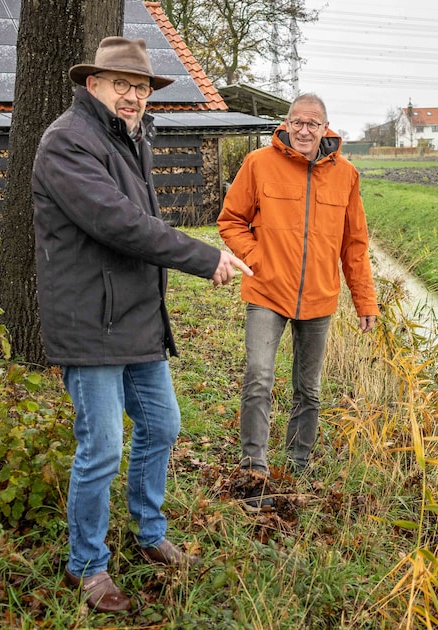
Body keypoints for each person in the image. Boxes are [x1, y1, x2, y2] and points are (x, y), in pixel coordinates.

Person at [33, 36, 251, 614]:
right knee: (101, 448)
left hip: (134, 317)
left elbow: (135, 223)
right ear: (93, 85)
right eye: (122, 85)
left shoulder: (128, 137)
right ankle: (89, 566)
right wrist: (206, 258)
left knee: (163, 426)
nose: (133, 96)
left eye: (142, 88)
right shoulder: (67, 142)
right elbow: (120, 223)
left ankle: (149, 534)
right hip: (89, 322)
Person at [217, 93, 379, 512]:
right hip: (267, 292)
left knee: (308, 389)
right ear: (286, 124)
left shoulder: (346, 175)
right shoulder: (258, 164)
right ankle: (254, 467)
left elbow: (354, 244)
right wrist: (256, 259)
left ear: (327, 128)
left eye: (313, 123)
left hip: (320, 297)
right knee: (258, 377)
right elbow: (231, 220)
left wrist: (365, 301)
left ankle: (298, 464)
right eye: (297, 122)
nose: (304, 130)